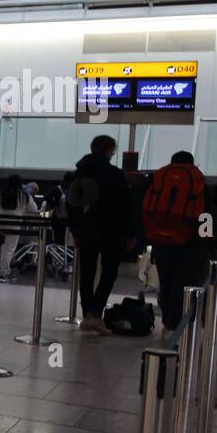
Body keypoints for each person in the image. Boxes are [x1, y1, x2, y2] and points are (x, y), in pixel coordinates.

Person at [68, 135, 135, 335]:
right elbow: (125, 205)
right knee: (109, 273)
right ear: (108, 150)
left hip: (85, 230)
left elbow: (71, 204)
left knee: (86, 273)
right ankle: (95, 314)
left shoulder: (78, 172)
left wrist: (75, 230)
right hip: (110, 231)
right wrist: (130, 232)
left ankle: (88, 313)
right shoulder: (114, 174)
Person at [143, 151, 208, 333]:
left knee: (166, 282)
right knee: (183, 283)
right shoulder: (197, 181)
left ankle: (167, 322)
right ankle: (176, 325)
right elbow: (207, 213)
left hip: (161, 241)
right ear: (191, 163)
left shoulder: (160, 178)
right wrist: (206, 239)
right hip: (190, 243)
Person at [0, 174, 39, 278]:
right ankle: (3, 273)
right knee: (9, 249)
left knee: (1, 248)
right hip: (14, 225)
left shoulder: (1, 194)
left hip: (0, 224)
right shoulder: (24, 195)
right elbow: (34, 209)